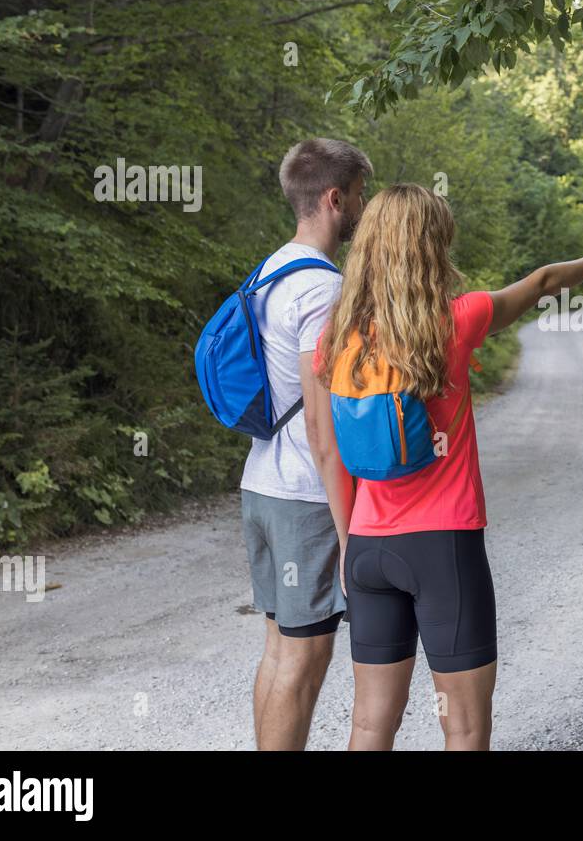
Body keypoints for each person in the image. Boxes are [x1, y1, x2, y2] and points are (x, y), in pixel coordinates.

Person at [300, 183, 583, 750]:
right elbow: (545, 281)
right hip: (443, 546)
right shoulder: (458, 320)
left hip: (366, 549)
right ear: (432, 248)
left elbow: (329, 452)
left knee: (367, 724)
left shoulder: (336, 340)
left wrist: (346, 541)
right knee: (465, 727)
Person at [240, 138, 371, 750]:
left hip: (261, 484)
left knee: (278, 650)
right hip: (303, 498)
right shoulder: (322, 288)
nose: (364, 213)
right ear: (334, 198)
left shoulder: (269, 270)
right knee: (305, 658)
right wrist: (350, 536)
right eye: (360, 199)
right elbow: (322, 428)